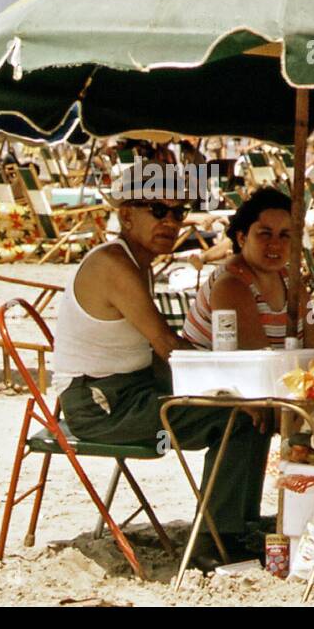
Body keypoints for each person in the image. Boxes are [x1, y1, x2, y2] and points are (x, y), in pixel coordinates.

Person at [49, 182, 271, 569]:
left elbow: (159, 354)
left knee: (254, 409)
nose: (170, 221)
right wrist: (230, 392)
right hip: (99, 405)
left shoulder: (136, 263)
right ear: (126, 215)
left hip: (125, 390)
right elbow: (166, 345)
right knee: (238, 414)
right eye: (157, 209)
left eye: (178, 212)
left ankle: (237, 524)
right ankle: (216, 539)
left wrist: (227, 388)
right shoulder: (113, 264)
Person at [182, 187, 314, 350]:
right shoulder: (230, 286)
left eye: (285, 235)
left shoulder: (293, 283)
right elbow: (258, 358)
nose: (275, 244)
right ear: (242, 237)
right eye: (265, 234)